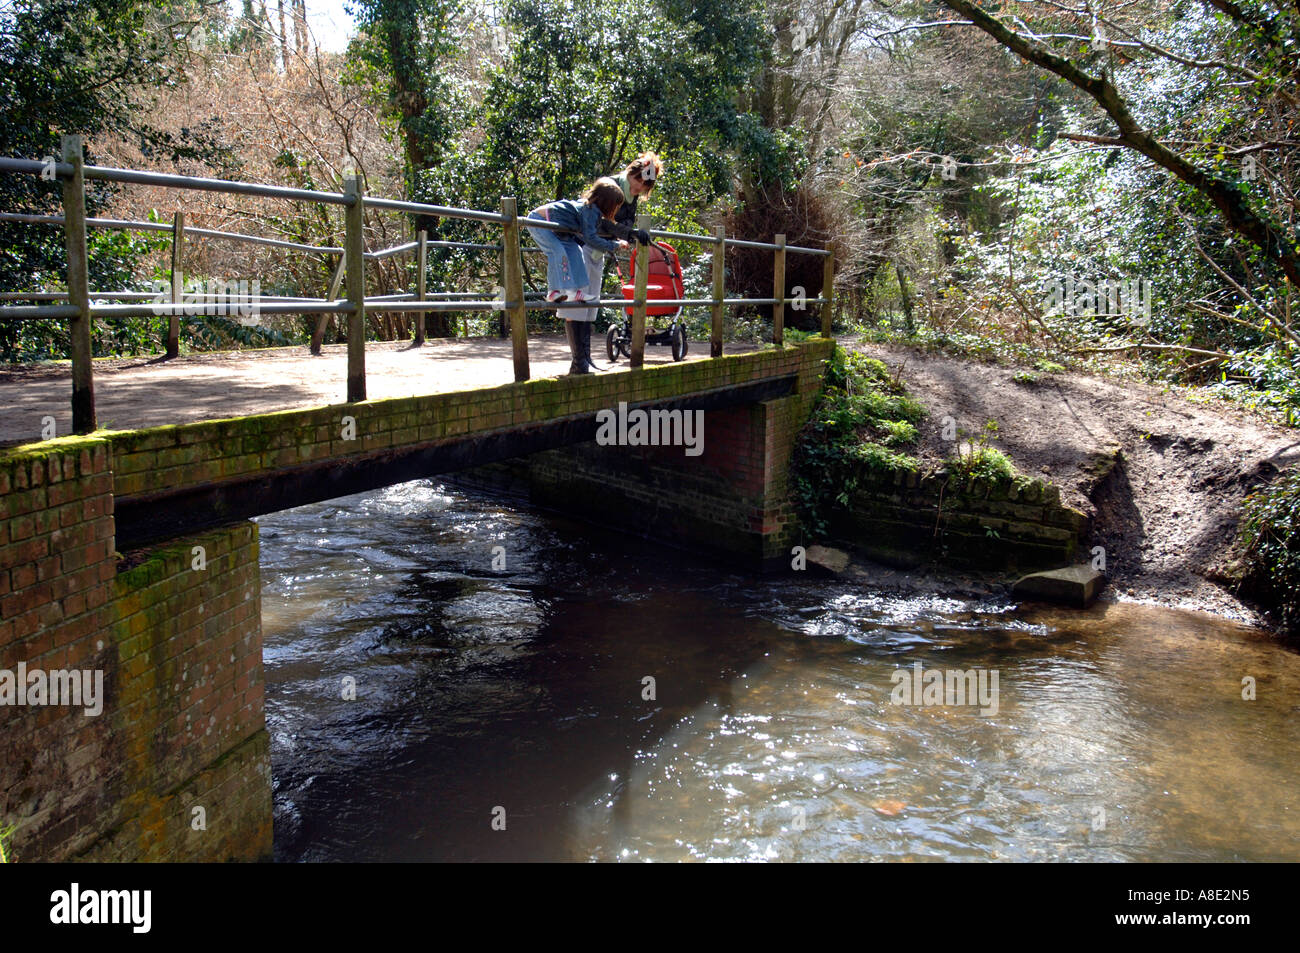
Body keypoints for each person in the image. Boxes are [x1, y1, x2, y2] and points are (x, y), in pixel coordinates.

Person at [526, 178, 628, 375]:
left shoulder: (593, 212)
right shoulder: (590, 209)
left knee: (576, 254)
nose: (615, 211)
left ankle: (577, 291)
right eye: (615, 206)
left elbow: (587, 235)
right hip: (540, 222)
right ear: (607, 203)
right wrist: (615, 245)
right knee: (557, 253)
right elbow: (590, 237)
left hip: (564, 233)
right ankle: (553, 291)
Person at [572, 152, 663, 350]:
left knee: (591, 304)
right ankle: (579, 361)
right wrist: (630, 233)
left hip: (601, 249)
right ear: (630, 173)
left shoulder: (633, 196)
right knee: (578, 303)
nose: (638, 188)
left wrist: (632, 233)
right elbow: (606, 221)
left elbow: (625, 222)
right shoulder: (610, 186)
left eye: (643, 187)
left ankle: (584, 357)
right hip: (584, 245)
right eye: (637, 182)